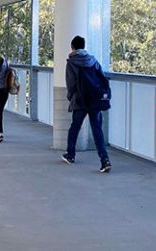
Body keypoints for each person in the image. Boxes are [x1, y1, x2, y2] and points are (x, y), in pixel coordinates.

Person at [61, 35, 112, 173]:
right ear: (83, 47)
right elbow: (102, 78)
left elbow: (70, 83)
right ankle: (105, 160)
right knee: (97, 130)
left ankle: (70, 155)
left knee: (75, 127)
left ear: (72, 47)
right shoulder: (93, 60)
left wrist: (71, 98)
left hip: (79, 100)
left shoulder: (71, 62)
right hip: (95, 100)